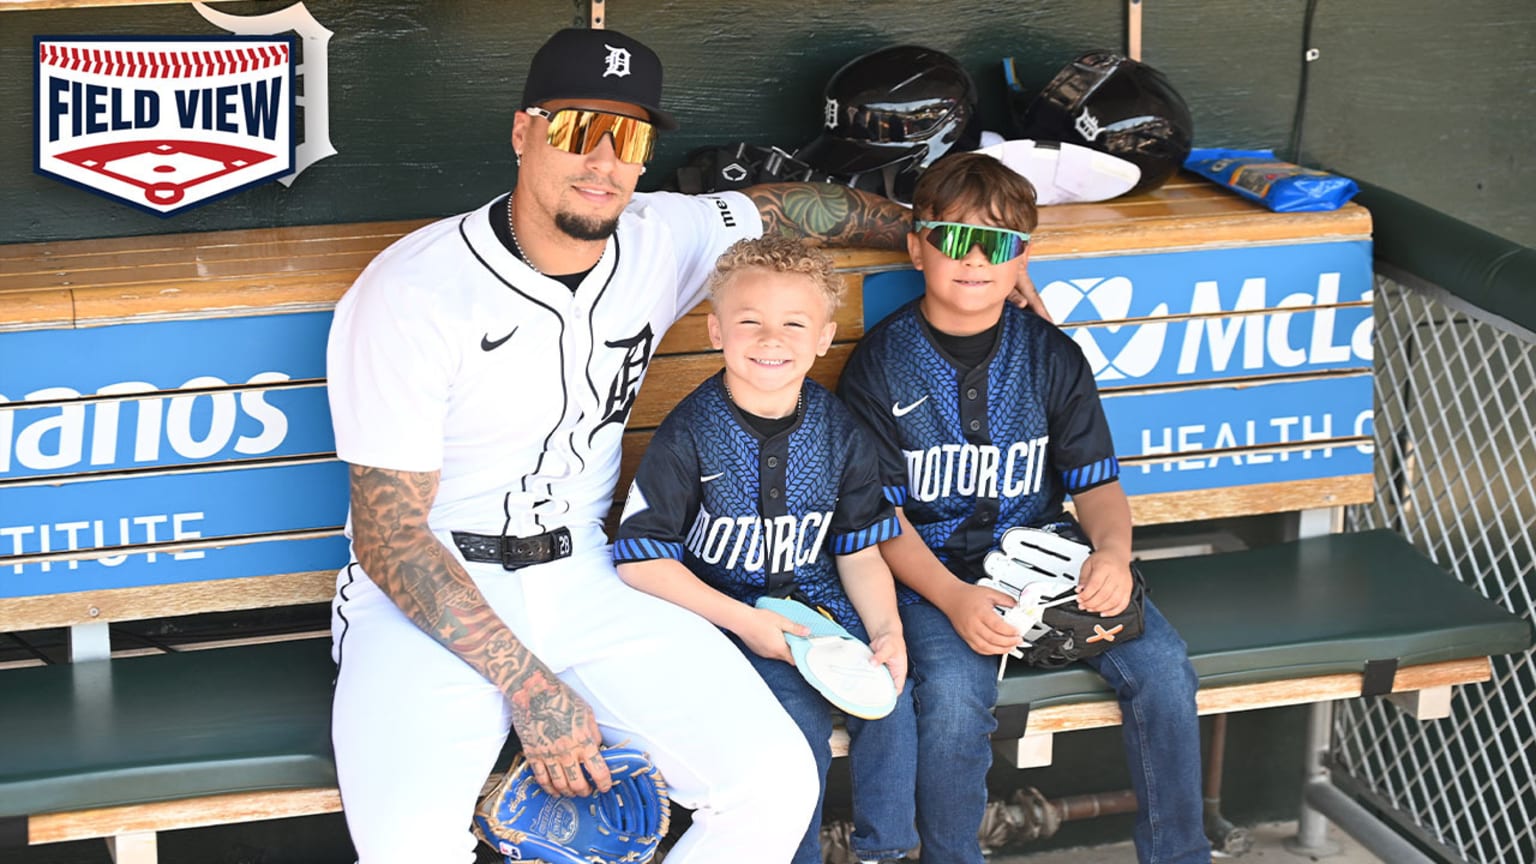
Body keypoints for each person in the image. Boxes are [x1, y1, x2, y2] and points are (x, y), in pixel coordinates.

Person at [322, 26, 941, 864]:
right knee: (406, 849)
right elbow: (392, 536)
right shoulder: (415, 289)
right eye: (578, 129)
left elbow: (787, 208)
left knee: (774, 783)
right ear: (522, 131)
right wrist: (528, 684)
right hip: (429, 600)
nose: (604, 160)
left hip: (588, 574)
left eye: (632, 136)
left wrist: (947, 242)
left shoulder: (662, 234)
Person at [838, 152, 1211, 864]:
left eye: (999, 243)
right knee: (949, 698)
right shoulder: (880, 365)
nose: (976, 258)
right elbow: (880, 519)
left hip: (1045, 551)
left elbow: (1095, 482)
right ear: (917, 246)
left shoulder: (1051, 355)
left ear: (1022, 260)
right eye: (954, 238)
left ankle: (1180, 855)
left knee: (1163, 668)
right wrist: (951, 598)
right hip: (935, 571)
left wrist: (1112, 554)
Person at [612, 234, 917, 864]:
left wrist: (887, 630)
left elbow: (858, 550)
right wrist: (747, 623)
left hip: (819, 604)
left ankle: (887, 852)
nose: (771, 339)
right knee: (793, 729)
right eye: (750, 322)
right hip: (722, 615)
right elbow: (642, 560)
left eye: (793, 324)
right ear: (717, 329)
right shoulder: (690, 431)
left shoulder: (840, 430)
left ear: (824, 337)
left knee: (888, 698)